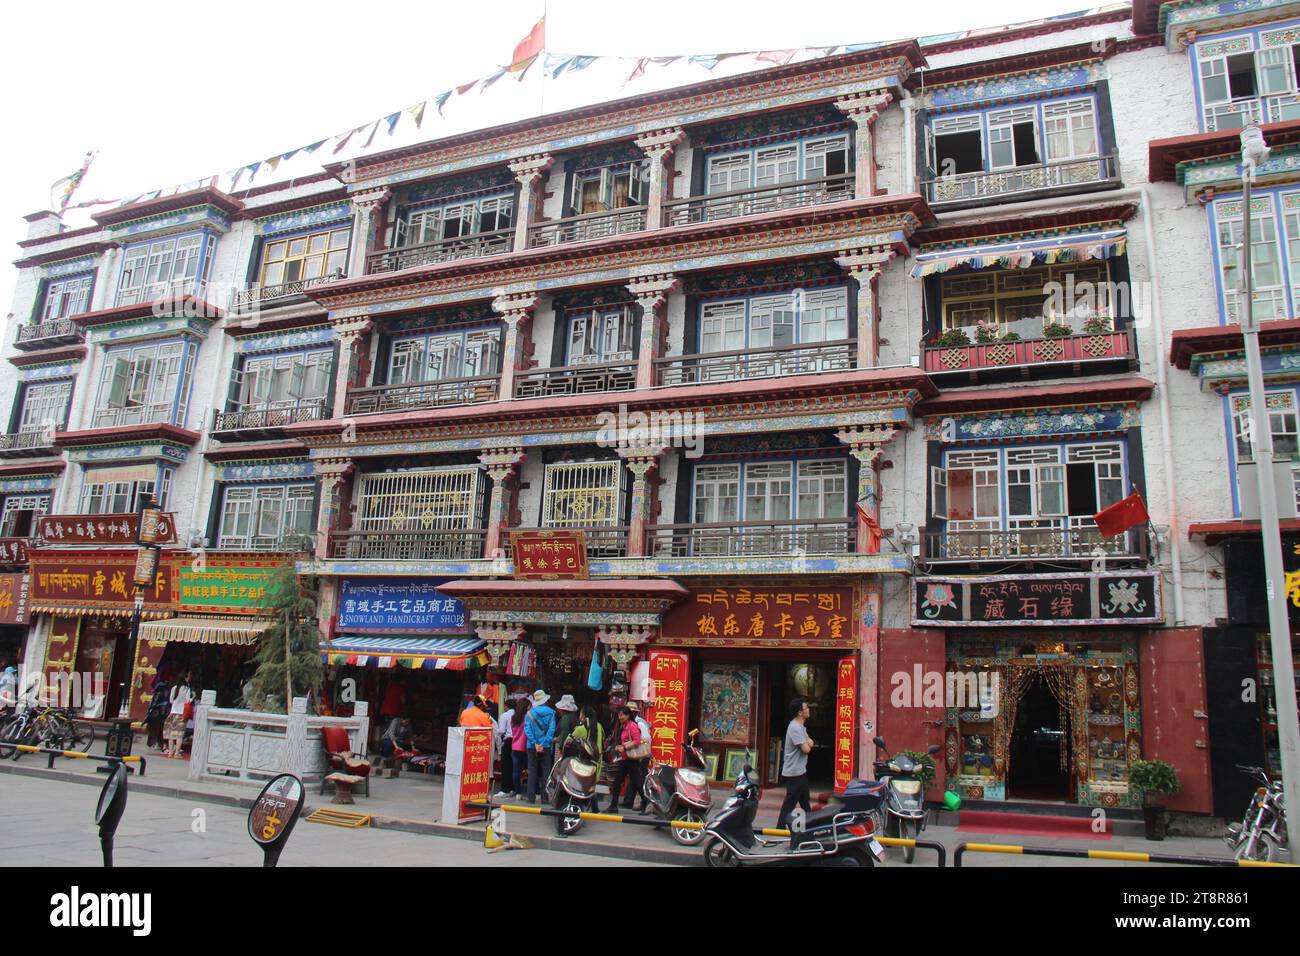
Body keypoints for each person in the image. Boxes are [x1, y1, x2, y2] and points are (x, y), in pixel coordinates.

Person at [777, 697, 814, 830]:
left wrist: (808, 742)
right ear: (800, 712)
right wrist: (807, 742)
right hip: (793, 772)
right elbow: (806, 748)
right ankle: (779, 830)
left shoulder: (800, 727)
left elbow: (811, 742)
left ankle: (810, 827)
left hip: (800, 771)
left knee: (805, 802)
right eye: (806, 708)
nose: (809, 710)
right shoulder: (795, 728)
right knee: (789, 804)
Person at [606, 706, 647, 812]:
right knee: (620, 781)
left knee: (636, 782)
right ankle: (614, 805)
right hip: (626, 758)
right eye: (619, 715)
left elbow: (637, 741)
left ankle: (646, 804)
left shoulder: (632, 726)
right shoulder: (624, 726)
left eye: (622, 715)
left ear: (628, 715)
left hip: (631, 759)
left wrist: (623, 747)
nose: (619, 717)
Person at [524, 689, 556, 804]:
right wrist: (543, 743)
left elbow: (527, 730)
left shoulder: (529, 713)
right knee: (546, 772)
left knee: (532, 771)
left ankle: (530, 797)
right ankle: (544, 797)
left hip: (532, 746)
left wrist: (535, 743)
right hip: (546, 746)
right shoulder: (551, 713)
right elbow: (551, 730)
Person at [627, 701, 654, 812]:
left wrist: (641, 755)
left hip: (642, 755)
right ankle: (631, 801)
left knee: (641, 779)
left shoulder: (640, 723)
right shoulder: (633, 723)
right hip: (637, 754)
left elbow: (646, 740)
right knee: (635, 778)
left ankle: (646, 803)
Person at [163, 672, 195, 758]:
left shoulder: (174, 688)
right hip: (182, 714)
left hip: (173, 713)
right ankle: (177, 753)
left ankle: (170, 752)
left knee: (171, 734)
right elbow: (187, 701)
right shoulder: (187, 689)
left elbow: (171, 701)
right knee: (180, 734)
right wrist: (193, 698)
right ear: (185, 679)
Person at [569, 704, 604, 779]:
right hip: (597, 762)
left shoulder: (580, 729)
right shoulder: (599, 726)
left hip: (584, 765)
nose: (579, 716)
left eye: (580, 714)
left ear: (584, 716)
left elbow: (568, 741)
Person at [494, 698, 517, 798]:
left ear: (506, 706)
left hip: (508, 741)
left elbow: (501, 730)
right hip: (517, 741)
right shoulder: (518, 714)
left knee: (506, 765)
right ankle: (513, 788)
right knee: (514, 766)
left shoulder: (505, 715)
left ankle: (505, 789)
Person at [510, 697, 531, 798]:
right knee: (530, 769)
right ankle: (533, 791)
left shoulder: (514, 718)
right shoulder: (528, 717)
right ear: (526, 707)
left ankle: (518, 792)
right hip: (526, 747)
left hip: (515, 746)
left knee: (516, 771)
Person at [145, 673, 171, 750]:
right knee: (158, 728)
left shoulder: (158, 692)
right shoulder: (163, 692)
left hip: (159, 712)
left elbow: (153, 703)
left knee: (158, 728)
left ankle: (158, 743)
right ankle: (158, 743)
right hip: (160, 712)